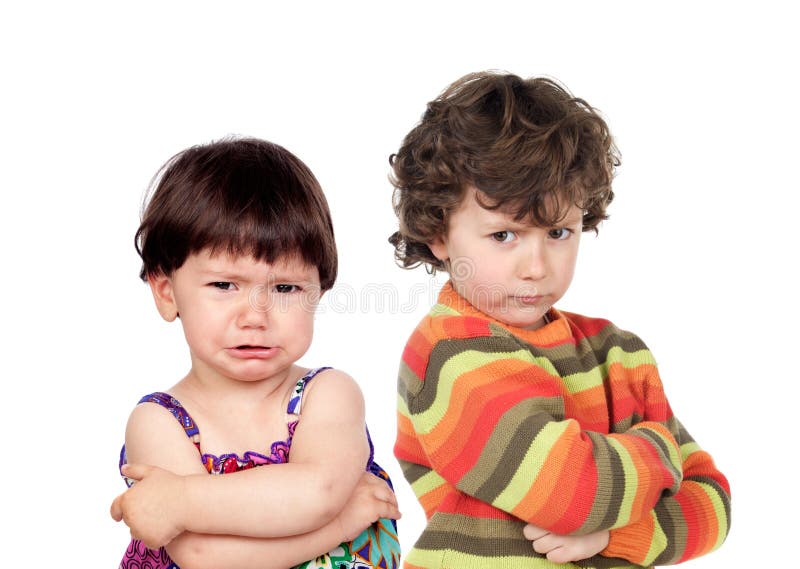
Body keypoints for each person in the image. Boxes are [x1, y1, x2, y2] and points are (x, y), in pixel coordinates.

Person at [389, 72, 731, 568]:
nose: (536, 267)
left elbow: (715, 502)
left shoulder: (617, 351)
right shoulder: (447, 352)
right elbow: (572, 495)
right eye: (504, 235)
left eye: (558, 232)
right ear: (438, 233)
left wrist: (615, 537)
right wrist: (660, 447)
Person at [110, 137, 402, 569]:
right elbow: (203, 556)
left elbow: (318, 491)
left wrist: (182, 502)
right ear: (167, 292)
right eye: (225, 285)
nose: (256, 316)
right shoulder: (158, 422)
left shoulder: (328, 394)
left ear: (318, 292)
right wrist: (344, 523)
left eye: (286, 288)